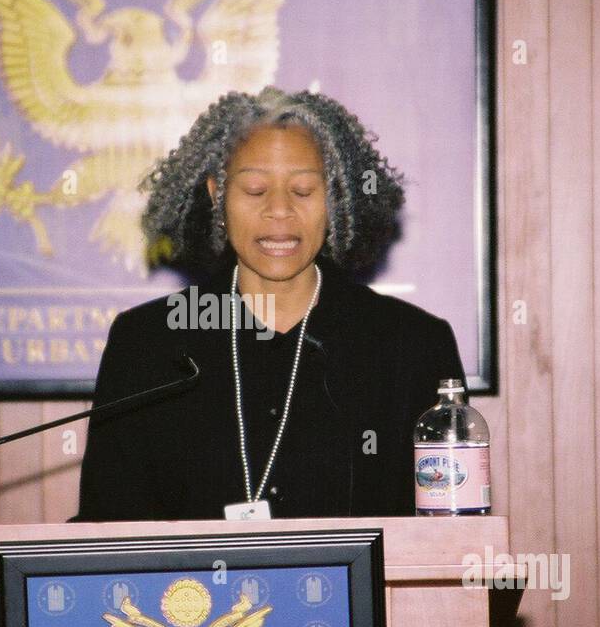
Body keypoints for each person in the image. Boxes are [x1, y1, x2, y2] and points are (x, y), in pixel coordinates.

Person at [73, 86, 466, 521]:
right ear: (216, 197)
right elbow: (105, 530)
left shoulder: (411, 345)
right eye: (256, 190)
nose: (279, 210)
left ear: (334, 200)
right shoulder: (146, 344)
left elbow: (450, 539)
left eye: (302, 190)